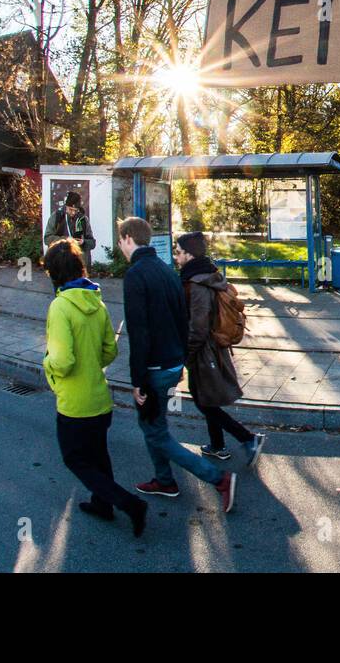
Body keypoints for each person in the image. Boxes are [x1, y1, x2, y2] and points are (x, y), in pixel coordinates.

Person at [117, 217, 237, 513]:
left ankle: (218, 479)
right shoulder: (168, 271)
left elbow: (139, 332)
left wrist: (138, 380)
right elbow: (182, 320)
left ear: (129, 238)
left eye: (120, 240)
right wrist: (179, 359)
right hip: (172, 363)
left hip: (154, 368)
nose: (119, 245)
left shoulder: (136, 276)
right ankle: (164, 479)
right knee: (152, 426)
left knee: (156, 431)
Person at [42, 238, 147, 536]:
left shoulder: (60, 307)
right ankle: (103, 504)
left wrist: (47, 363)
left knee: (74, 458)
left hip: (75, 404)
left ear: (53, 273)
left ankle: (129, 503)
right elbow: (110, 352)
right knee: (99, 455)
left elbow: (61, 361)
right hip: (101, 400)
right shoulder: (96, 301)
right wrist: (91, 361)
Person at [172, 231, 264, 467]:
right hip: (210, 348)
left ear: (190, 255)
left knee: (204, 401)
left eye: (179, 252)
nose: (176, 256)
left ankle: (248, 438)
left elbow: (198, 327)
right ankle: (217, 445)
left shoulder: (197, 283)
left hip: (204, 351)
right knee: (207, 398)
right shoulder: (205, 275)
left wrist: (186, 354)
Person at [44, 191, 96, 268]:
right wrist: (66, 239)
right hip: (60, 264)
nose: (73, 212)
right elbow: (47, 239)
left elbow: (92, 243)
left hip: (79, 266)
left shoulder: (83, 219)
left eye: (75, 210)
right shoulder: (57, 217)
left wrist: (83, 242)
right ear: (66, 206)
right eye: (70, 209)